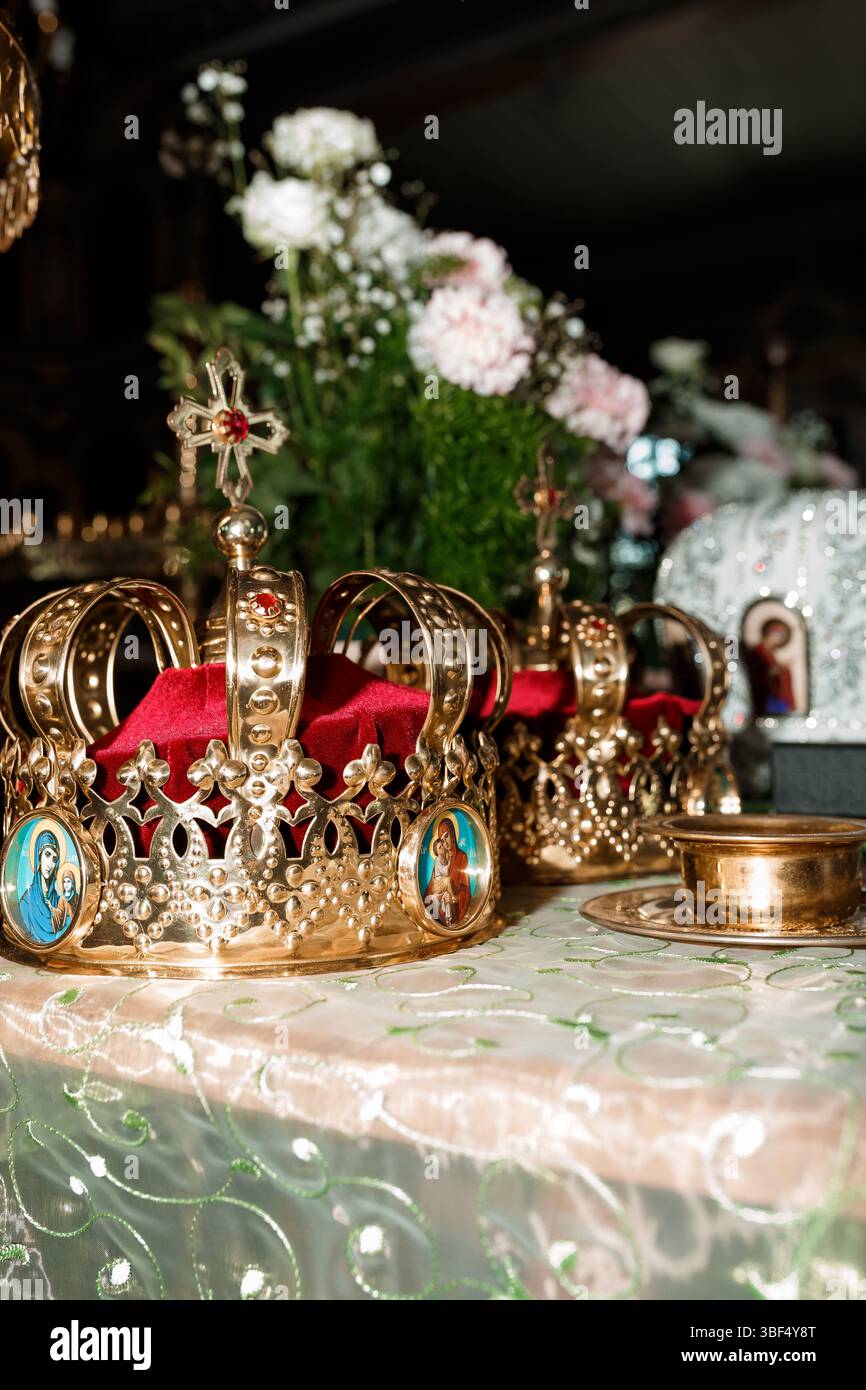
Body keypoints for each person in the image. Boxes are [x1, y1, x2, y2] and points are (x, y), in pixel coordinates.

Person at [18, 827, 68, 943]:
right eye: (47, 854)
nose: (50, 864)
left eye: (55, 859)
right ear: (38, 857)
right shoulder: (26, 903)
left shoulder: (58, 901)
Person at [422, 816, 471, 925]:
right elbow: (431, 887)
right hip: (440, 901)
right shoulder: (440, 859)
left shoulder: (462, 857)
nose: (445, 842)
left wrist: (456, 897)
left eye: (447, 836)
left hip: (454, 905)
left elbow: (466, 890)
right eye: (441, 840)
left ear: (453, 834)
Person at [746, 615, 796, 715]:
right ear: (768, 634)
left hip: (776, 695)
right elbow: (760, 673)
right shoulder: (758, 651)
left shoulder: (770, 652)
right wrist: (780, 669)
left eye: (780, 637)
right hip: (766, 695)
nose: (777, 640)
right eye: (776, 636)